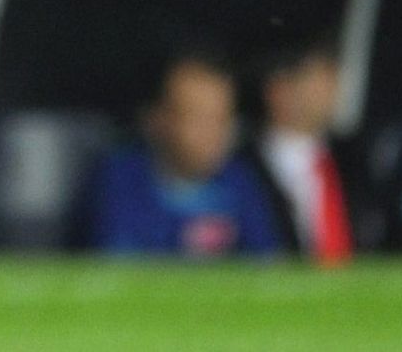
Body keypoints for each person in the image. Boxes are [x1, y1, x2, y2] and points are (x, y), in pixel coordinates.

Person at [88, 51, 282, 258]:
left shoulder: (241, 182)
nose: (211, 133)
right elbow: (119, 262)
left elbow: (268, 267)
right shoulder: (118, 180)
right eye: (195, 117)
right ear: (155, 119)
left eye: (221, 118)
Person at [246, 41, 382, 264]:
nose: (334, 84)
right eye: (320, 75)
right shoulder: (243, 166)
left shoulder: (353, 160)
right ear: (279, 91)